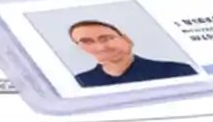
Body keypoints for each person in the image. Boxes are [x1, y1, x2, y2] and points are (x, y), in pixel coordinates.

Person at [68, 20, 196, 87]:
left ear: (126, 39)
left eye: (106, 38)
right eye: (87, 42)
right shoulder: (80, 82)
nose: (101, 47)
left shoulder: (177, 71)